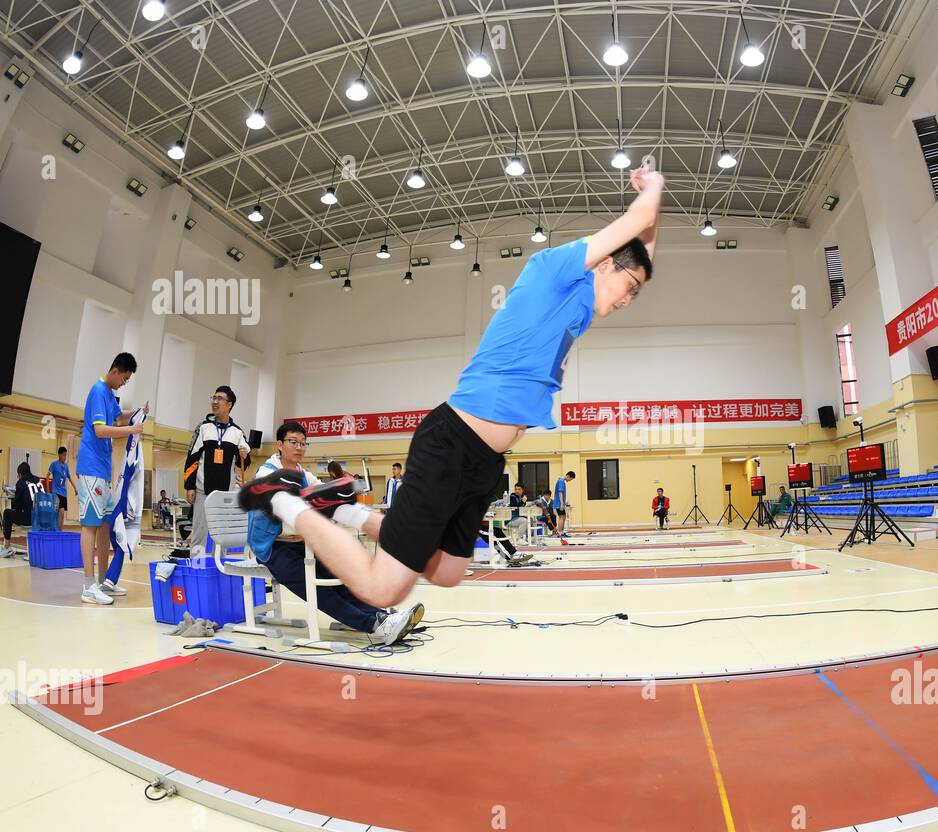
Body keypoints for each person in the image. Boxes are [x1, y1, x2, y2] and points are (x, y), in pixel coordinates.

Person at [239, 163, 664, 609]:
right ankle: (288, 503)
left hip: (484, 462)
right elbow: (635, 226)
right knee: (383, 589)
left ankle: (346, 510)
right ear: (605, 262)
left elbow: (643, 249)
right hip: (451, 443)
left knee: (446, 570)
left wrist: (651, 228)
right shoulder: (554, 270)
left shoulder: (580, 306)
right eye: (629, 286)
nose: (628, 298)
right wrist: (653, 188)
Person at [246, 422, 423, 646]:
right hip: (271, 547)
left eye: (303, 443)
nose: (299, 447)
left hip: (297, 543)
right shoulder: (267, 475)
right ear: (280, 445)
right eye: (293, 442)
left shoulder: (301, 473)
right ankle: (376, 626)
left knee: (335, 577)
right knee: (316, 586)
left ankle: (382, 616)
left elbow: (324, 493)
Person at [76, 353, 146, 605]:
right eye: (124, 379)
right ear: (116, 370)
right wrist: (131, 429)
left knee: (106, 524)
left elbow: (117, 417)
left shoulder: (108, 394)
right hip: (91, 466)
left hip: (104, 469)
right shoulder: (97, 391)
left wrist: (136, 414)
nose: (123, 384)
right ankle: (87, 585)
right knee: (90, 525)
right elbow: (100, 429)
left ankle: (104, 580)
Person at [185, 386, 251, 557]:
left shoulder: (237, 433)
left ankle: (219, 570)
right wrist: (189, 486)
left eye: (219, 398)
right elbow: (192, 458)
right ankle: (197, 568)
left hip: (225, 495)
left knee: (222, 537)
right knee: (199, 535)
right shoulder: (204, 428)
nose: (215, 402)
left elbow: (244, 463)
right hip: (202, 491)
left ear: (229, 404)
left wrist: (244, 454)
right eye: (213, 397)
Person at [0, 462, 42, 557]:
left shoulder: (21, 482)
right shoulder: (38, 481)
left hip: (29, 518)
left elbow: (17, 507)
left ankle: (7, 547)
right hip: (40, 517)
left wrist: (15, 498)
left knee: (7, 513)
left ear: (19, 474)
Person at [48, 447, 70, 531]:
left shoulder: (66, 466)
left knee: (62, 514)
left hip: (63, 493)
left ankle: (60, 530)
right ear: (59, 455)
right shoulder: (54, 464)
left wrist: (75, 487)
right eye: (64, 455)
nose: (65, 457)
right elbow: (47, 476)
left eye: (66, 455)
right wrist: (48, 489)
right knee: (56, 513)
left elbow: (69, 478)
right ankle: (55, 530)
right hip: (56, 492)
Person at [553, 470, 575, 537]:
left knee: (564, 517)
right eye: (570, 479)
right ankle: (560, 533)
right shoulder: (561, 481)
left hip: (560, 502)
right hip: (559, 503)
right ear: (568, 476)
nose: (570, 481)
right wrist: (562, 503)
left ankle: (562, 532)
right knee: (561, 517)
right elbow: (560, 492)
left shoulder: (561, 481)